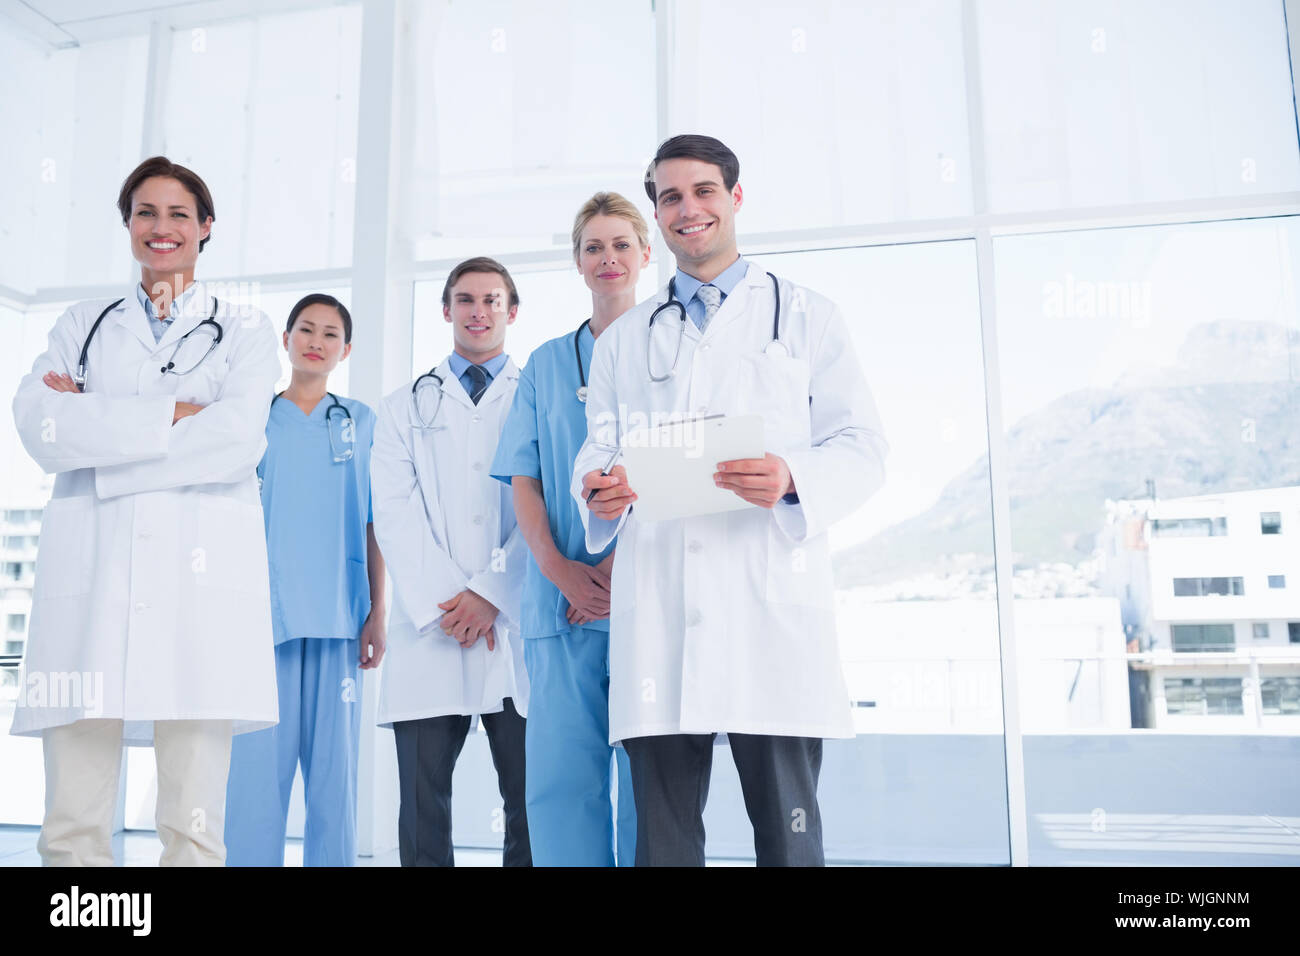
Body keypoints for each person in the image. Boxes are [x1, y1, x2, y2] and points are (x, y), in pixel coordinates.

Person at [573, 134, 889, 866]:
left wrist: (790, 477)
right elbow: (600, 447)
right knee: (665, 843)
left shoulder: (807, 315)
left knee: (789, 838)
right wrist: (599, 486)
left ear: (735, 197)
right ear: (658, 214)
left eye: (704, 190)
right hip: (661, 610)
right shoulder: (624, 341)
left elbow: (863, 446)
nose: (688, 209)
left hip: (768, 606)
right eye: (671, 197)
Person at [10, 155, 281, 866]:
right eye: (146, 213)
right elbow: (40, 426)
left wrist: (98, 429)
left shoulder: (246, 330)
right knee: (72, 820)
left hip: (200, 591)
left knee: (192, 825)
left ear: (206, 227)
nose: (161, 228)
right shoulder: (82, 322)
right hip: (94, 581)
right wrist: (174, 416)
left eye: (178, 214)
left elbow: (236, 442)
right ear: (129, 224)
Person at [491, 192, 646, 866]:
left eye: (620, 245)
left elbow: (679, 465)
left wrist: (611, 571)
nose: (607, 258)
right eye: (593, 247)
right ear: (578, 263)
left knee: (653, 783)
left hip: (646, 593)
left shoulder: (670, 351)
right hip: (560, 604)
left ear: (645, 254)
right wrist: (561, 572)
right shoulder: (549, 365)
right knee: (560, 782)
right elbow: (523, 475)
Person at [371, 256, 531, 866]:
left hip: (511, 624)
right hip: (430, 629)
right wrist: (452, 602)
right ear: (446, 310)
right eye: (466, 299)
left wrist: (493, 591)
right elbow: (394, 512)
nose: (479, 311)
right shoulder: (401, 407)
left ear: (512, 312)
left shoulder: (534, 398)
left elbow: (544, 507)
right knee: (422, 804)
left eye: (493, 300)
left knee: (527, 799)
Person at [223, 294, 387, 866]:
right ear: (287, 338)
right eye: (306, 329)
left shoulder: (362, 422)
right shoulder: (254, 419)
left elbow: (374, 521)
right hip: (261, 621)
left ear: (346, 349)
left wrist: (377, 613)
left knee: (334, 780)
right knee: (254, 781)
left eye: (331, 333)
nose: (317, 340)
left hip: (340, 617)